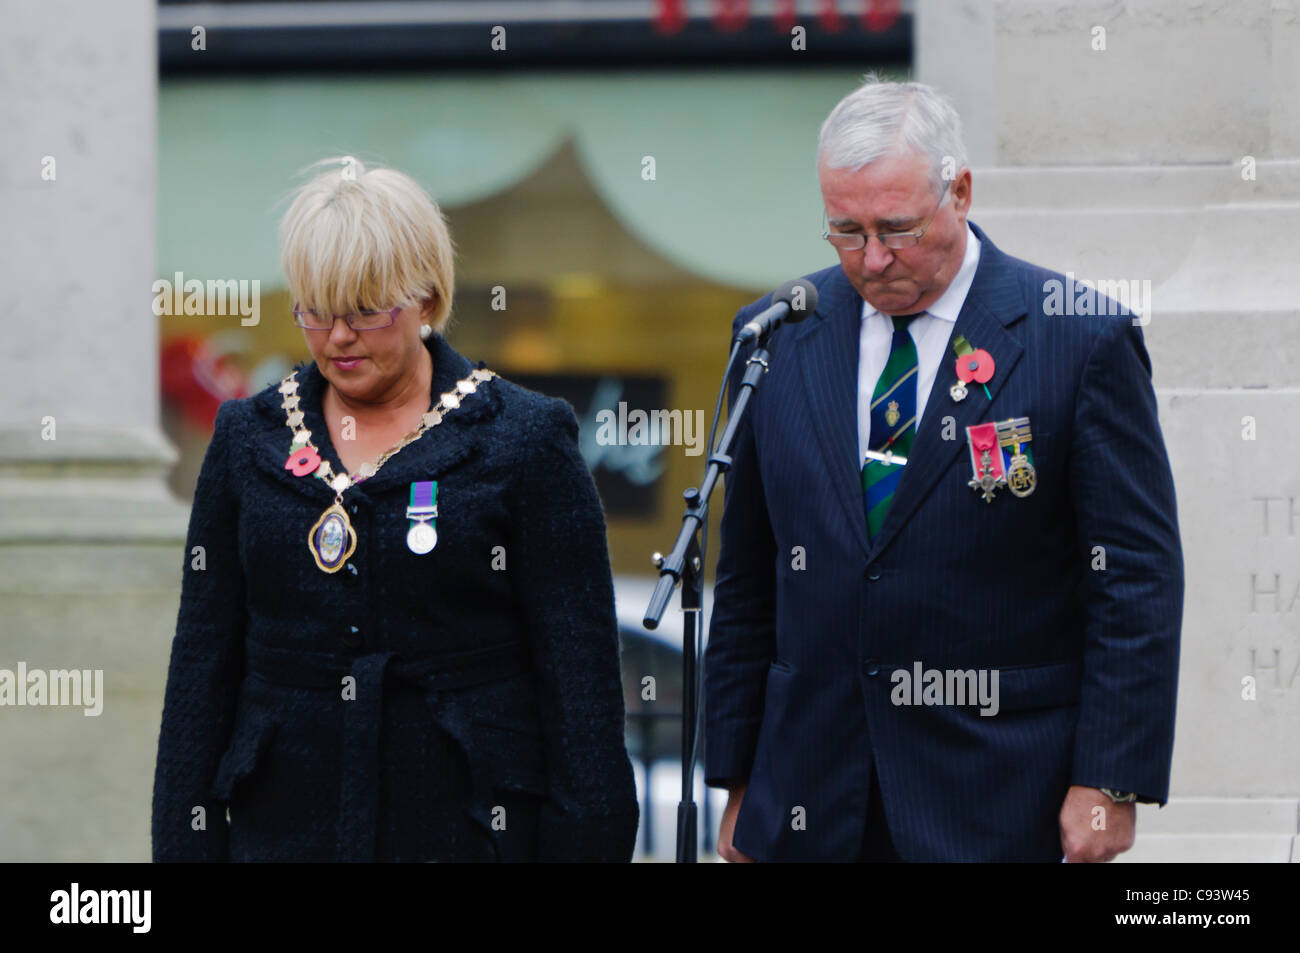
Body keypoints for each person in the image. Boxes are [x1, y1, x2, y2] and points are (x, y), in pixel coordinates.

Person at [704, 78, 1183, 862]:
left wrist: (1110, 780)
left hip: (998, 790)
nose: (874, 257)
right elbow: (751, 574)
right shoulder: (778, 331)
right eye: (845, 231)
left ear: (959, 191)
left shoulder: (1079, 337)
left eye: (897, 227)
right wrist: (738, 777)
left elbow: (1134, 577)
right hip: (812, 795)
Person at [152, 157, 638, 862]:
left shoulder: (525, 439)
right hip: (283, 836)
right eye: (316, 309)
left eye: (364, 309)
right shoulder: (245, 438)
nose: (338, 336)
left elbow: (582, 694)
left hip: (469, 832)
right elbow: (202, 668)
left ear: (427, 298)